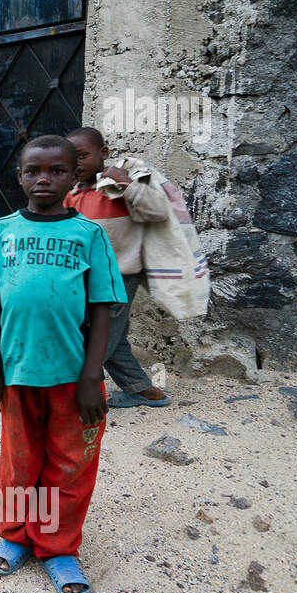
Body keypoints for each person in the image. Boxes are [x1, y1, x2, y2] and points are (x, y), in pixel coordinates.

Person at [0, 135, 127, 593]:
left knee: (70, 465)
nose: (44, 179)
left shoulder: (89, 236)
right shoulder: (0, 232)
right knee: (19, 463)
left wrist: (93, 376)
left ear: (76, 176)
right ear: (20, 176)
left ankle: (57, 547)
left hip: (74, 379)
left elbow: (102, 310)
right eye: (34, 170)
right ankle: (16, 536)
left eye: (57, 171)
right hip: (16, 374)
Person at [64, 127, 171, 408]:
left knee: (99, 339)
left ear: (104, 154)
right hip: (85, 281)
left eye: (83, 155)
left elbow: (159, 211)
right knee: (112, 337)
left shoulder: (114, 188)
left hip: (119, 278)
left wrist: (126, 184)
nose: (77, 163)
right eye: (71, 158)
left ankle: (77, 395)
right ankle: (143, 390)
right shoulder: (72, 195)